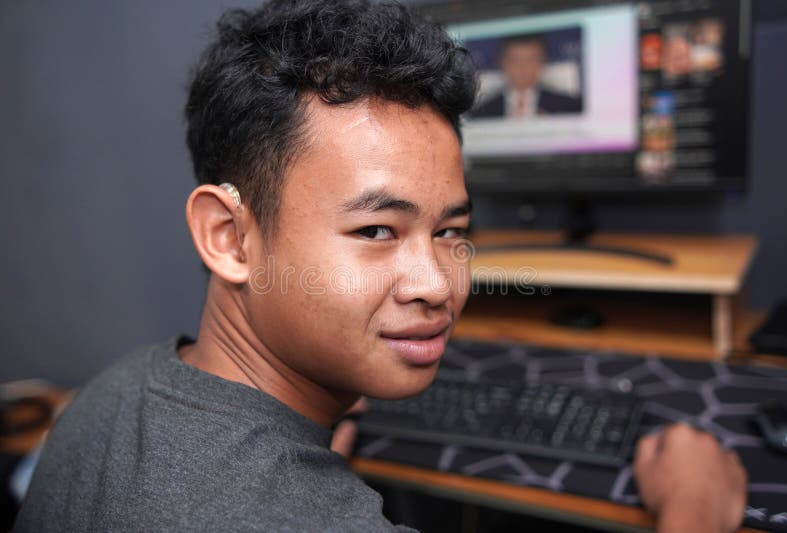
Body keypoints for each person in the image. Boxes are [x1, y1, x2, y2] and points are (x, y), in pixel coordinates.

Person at [14, 1, 746, 531]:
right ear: (230, 237)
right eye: (375, 229)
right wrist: (696, 510)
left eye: (452, 229)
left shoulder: (112, 394)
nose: (438, 284)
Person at [470, 34, 582, 119]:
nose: (523, 68)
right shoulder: (482, 112)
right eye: (515, 60)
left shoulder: (570, 106)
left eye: (531, 60)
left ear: (543, 63)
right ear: (502, 63)